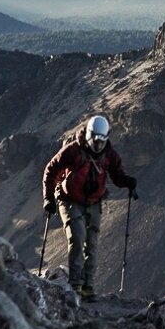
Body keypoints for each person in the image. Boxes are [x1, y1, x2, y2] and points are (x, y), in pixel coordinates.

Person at [42, 114, 137, 300]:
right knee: (77, 237)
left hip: (93, 202)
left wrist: (128, 182)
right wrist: (48, 199)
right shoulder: (73, 151)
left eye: (102, 141)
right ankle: (75, 285)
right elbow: (51, 170)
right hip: (69, 199)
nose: (98, 144)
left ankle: (88, 288)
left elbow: (117, 176)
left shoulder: (109, 155)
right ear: (89, 135)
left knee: (91, 243)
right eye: (95, 140)